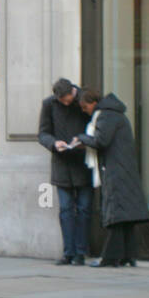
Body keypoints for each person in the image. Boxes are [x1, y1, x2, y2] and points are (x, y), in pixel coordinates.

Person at [74, 89, 148, 267]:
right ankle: (128, 255)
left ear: (93, 103)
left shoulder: (106, 115)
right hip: (124, 169)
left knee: (116, 214)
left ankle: (111, 257)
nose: (84, 111)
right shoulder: (116, 114)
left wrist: (82, 138)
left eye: (85, 107)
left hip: (115, 170)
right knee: (126, 216)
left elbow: (101, 141)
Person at [38, 78, 92, 265]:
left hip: (83, 162)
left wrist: (82, 140)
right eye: (61, 101)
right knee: (66, 210)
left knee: (84, 209)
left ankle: (81, 252)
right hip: (61, 163)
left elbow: (95, 127)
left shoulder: (84, 99)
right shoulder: (49, 104)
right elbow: (43, 133)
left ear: (72, 92)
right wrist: (54, 143)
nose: (65, 103)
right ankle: (68, 252)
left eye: (67, 99)